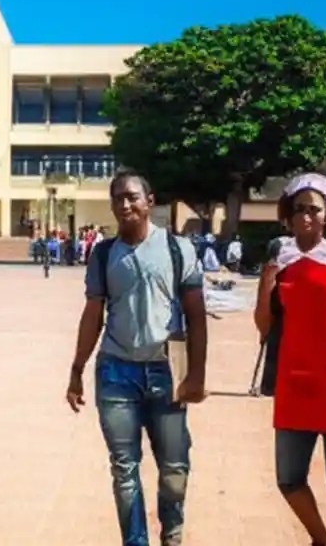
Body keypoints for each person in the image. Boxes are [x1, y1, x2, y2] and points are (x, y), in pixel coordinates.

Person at [66, 170, 207, 546]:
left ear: (150, 201)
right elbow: (93, 314)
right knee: (124, 469)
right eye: (117, 198)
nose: (124, 204)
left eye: (131, 197)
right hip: (116, 373)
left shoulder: (179, 249)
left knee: (174, 469)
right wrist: (77, 369)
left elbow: (196, 316)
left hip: (166, 373)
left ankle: (171, 535)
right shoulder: (104, 253)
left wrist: (196, 375)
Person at [254, 173, 326, 546]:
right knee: (288, 478)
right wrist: (267, 282)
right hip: (295, 381)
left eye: (314, 209)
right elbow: (263, 324)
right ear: (288, 213)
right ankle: (322, 541)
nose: (306, 215)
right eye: (299, 208)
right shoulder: (279, 255)